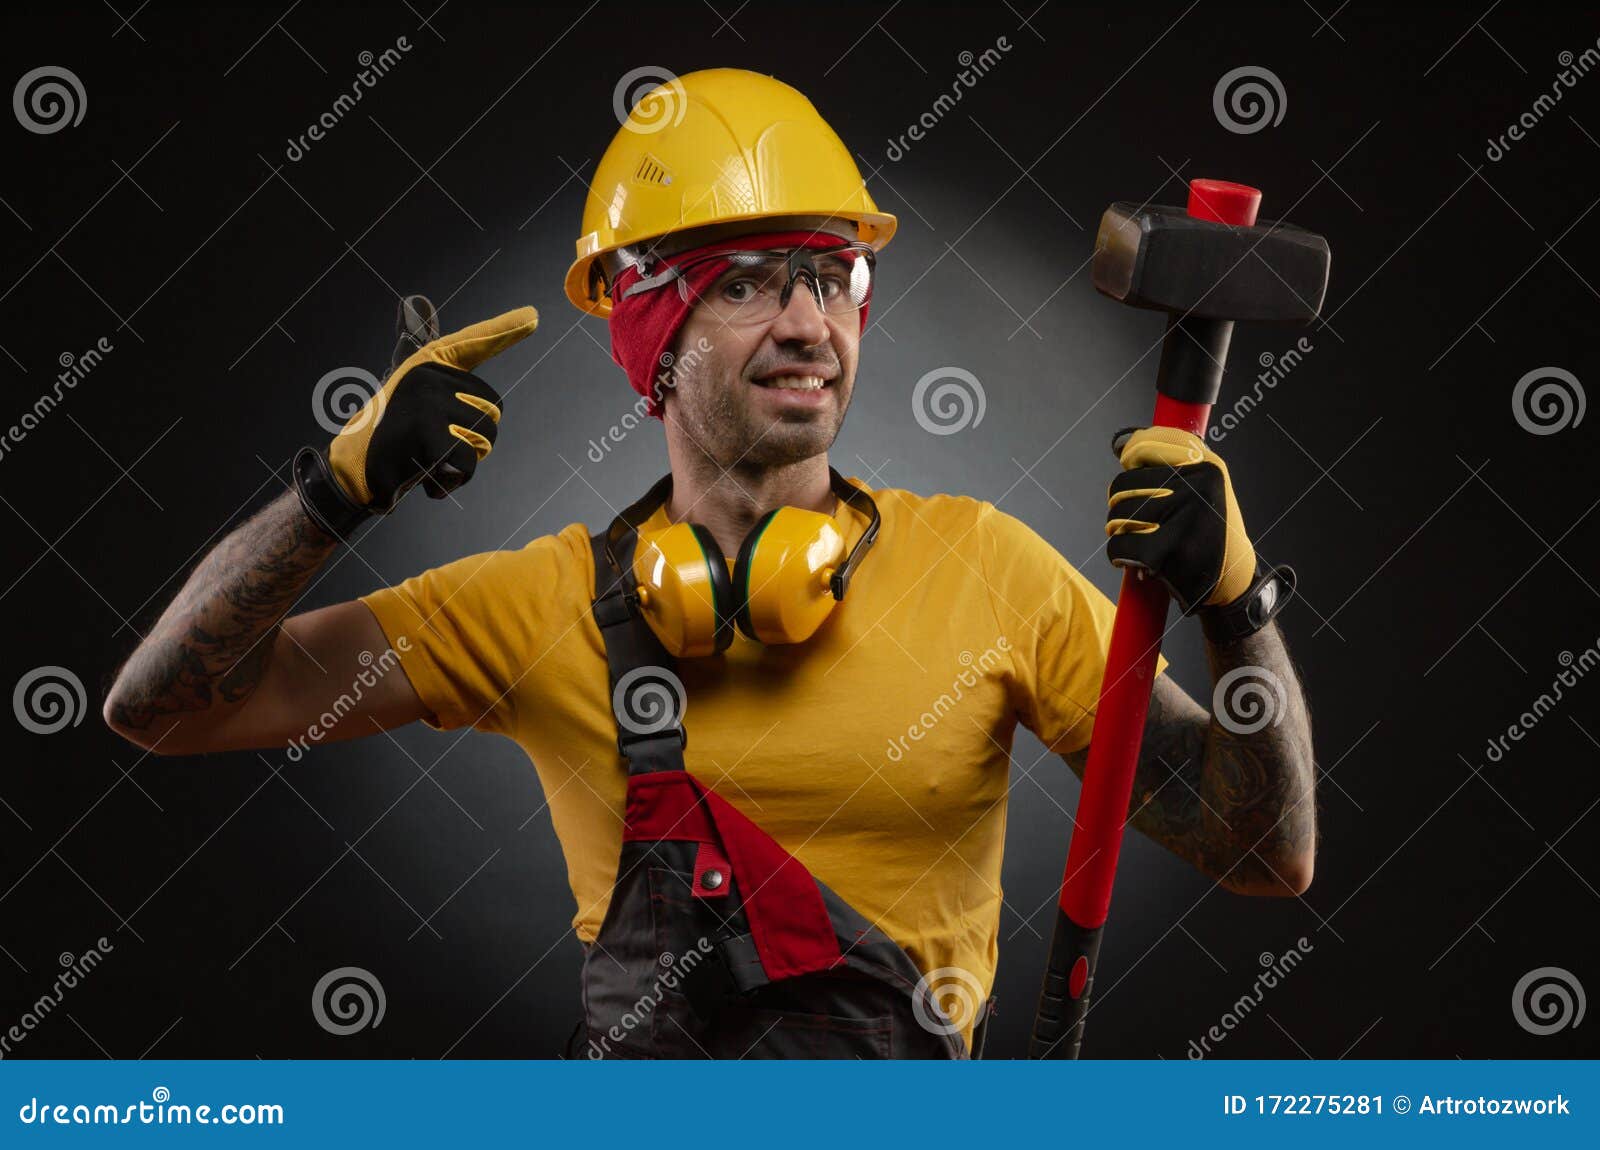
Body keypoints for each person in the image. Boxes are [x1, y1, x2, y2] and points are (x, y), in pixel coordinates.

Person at [103, 68, 1315, 1058]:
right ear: (652, 337)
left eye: (834, 277)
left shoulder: (986, 569)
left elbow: (1264, 853)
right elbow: (164, 706)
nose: (809, 324)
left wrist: (1235, 602)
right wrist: (334, 490)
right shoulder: (533, 605)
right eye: (745, 283)